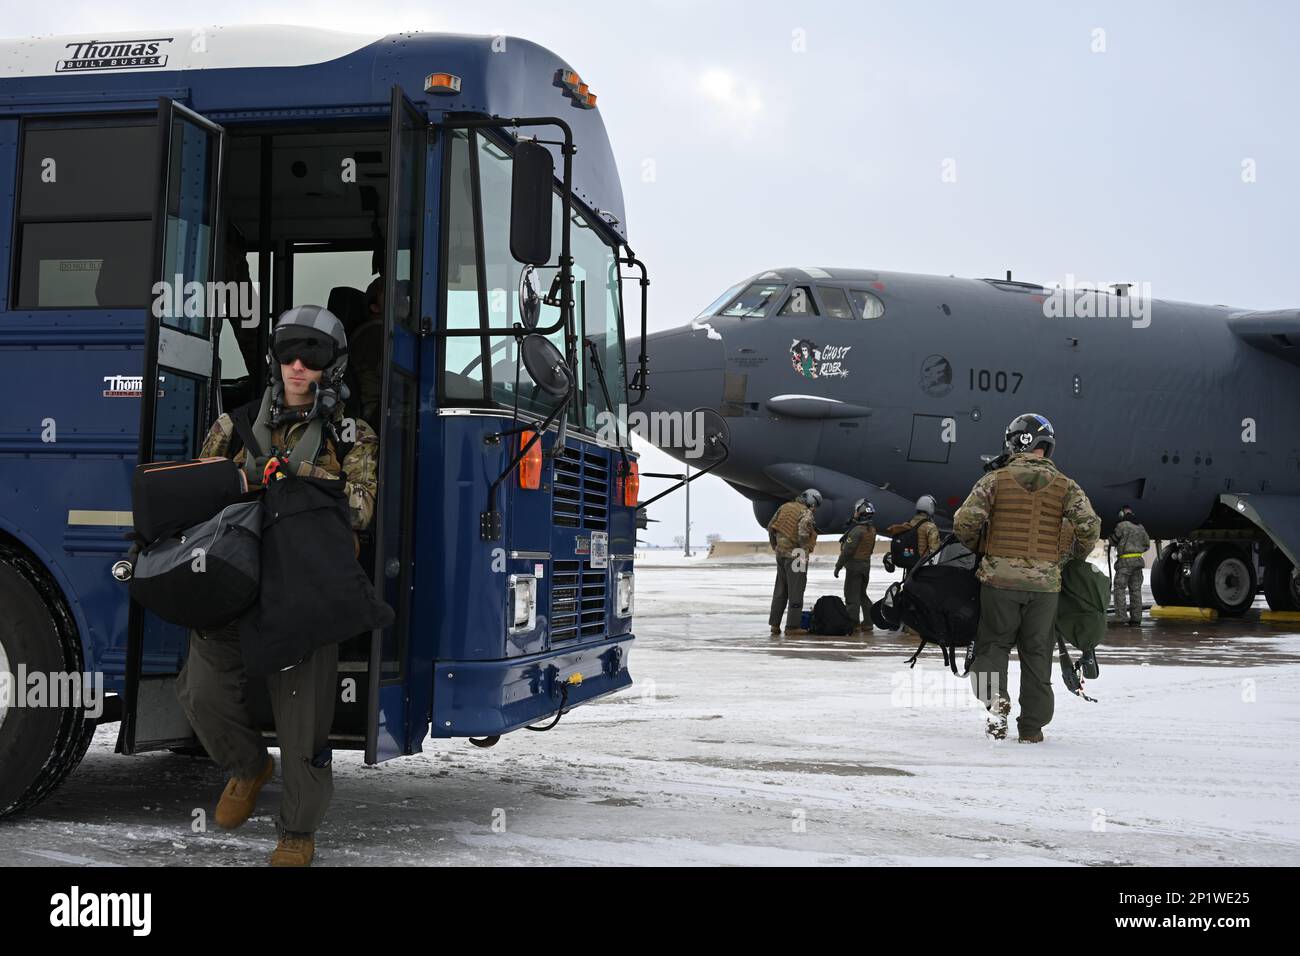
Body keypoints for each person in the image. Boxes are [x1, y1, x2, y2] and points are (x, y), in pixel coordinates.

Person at [175, 305, 379, 866]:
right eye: (287, 353)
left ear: (330, 367)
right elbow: (198, 492)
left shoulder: (351, 436)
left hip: (305, 592)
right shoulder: (232, 426)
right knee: (200, 693)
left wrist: (296, 475)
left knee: (302, 722)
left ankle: (296, 830)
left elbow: (360, 509)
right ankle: (247, 766)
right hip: (235, 582)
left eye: (310, 356)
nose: (296, 366)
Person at [953, 413, 1100, 743]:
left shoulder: (994, 481)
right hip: (1045, 587)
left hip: (999, 583)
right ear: (1045, 446)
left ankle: (994, 704)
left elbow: (964, 522)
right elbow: (1090, 526)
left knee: (993, 646)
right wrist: (1072, 557)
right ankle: (1032, 728)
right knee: (1037, 654)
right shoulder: (1066, 486)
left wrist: (982, 546)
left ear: (1013, 443)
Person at [767, 489, 821, 635]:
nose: (814, 508)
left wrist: (775, 546)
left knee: (780, 590)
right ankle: (792, 627)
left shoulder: (785, 507)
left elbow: (771, 526)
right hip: (796, 555)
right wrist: (804, 553)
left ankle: (775, 625)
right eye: (815, 504)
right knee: (796, 591)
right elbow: (803, 534)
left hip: (780, 553)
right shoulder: (805, 513)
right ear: (810, 500)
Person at [835, 498, 876, 634]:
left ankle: (854, 624)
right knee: (862, 595)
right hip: (865, 566)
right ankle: (868, 623)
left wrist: (838, 566)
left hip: (854, 567)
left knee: (851, 597)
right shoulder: (871, 530)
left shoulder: (857, 531)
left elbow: (847, 551)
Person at [1109, 505, 1151, 627]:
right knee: (1135, 590)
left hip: (1125, 563)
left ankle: (1121, 616)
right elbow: (1147, 545)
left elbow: (1113, 541)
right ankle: (1136, 619)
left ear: (1122, 513)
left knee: (1119, 588)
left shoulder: (1122, 526)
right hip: (1138, 562)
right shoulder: (1140, 527)